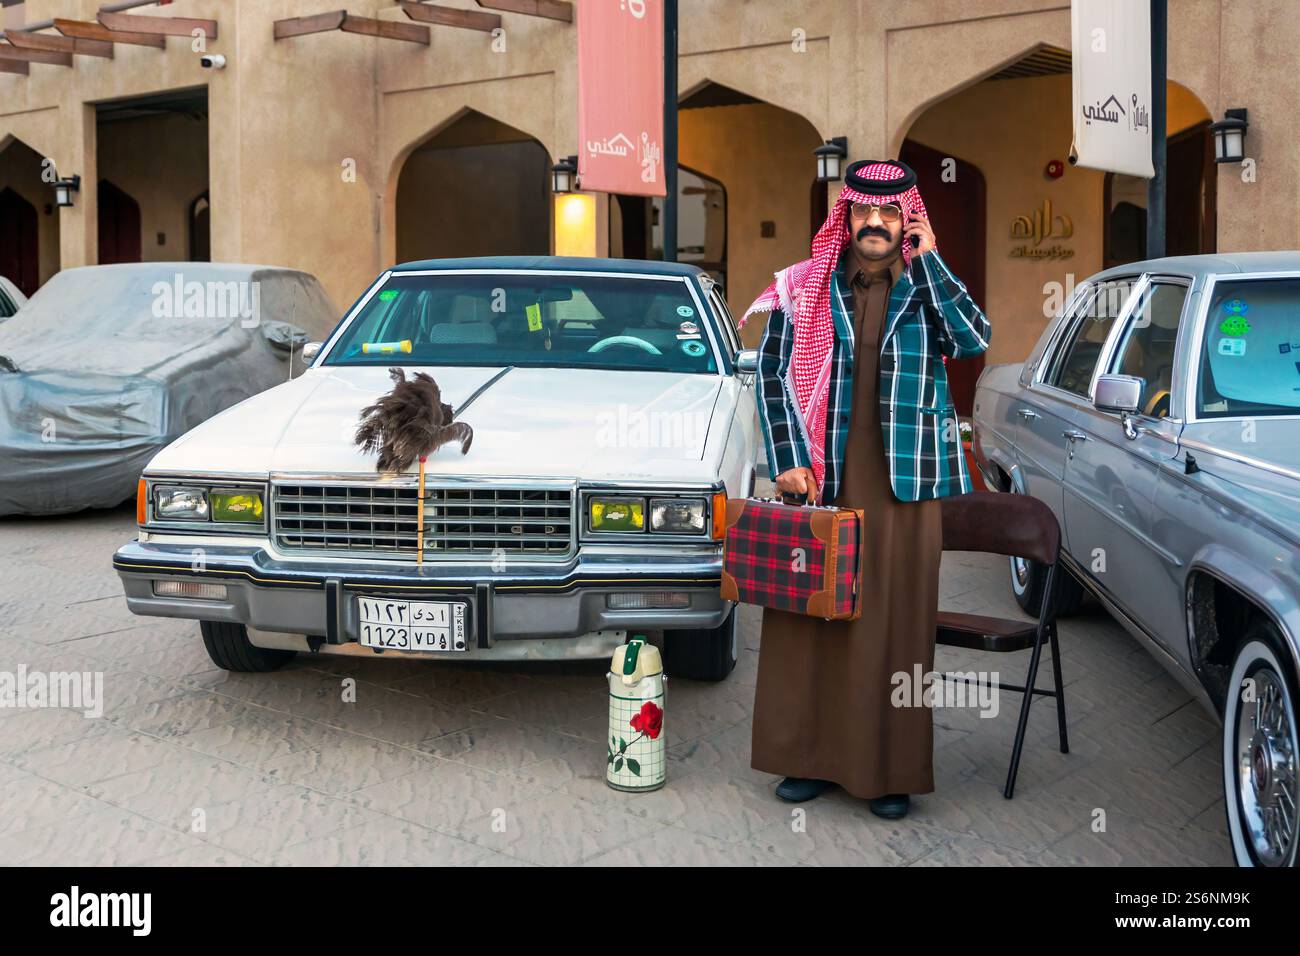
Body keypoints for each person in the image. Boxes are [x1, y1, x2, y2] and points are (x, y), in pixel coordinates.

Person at [742, 159, 990, 818]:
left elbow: (972, 341)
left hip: (904, 489)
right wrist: (787, 459)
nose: (874, 224)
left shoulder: (927, 287)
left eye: (889, 213)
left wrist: (931, 260)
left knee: (893, 626)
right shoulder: (805, 286)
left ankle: (888, 771)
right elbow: (769, 375)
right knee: (810, 619)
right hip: (822, 479)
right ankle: (804, 760)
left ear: (907, 218)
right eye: (862, 212)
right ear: (846, 217)